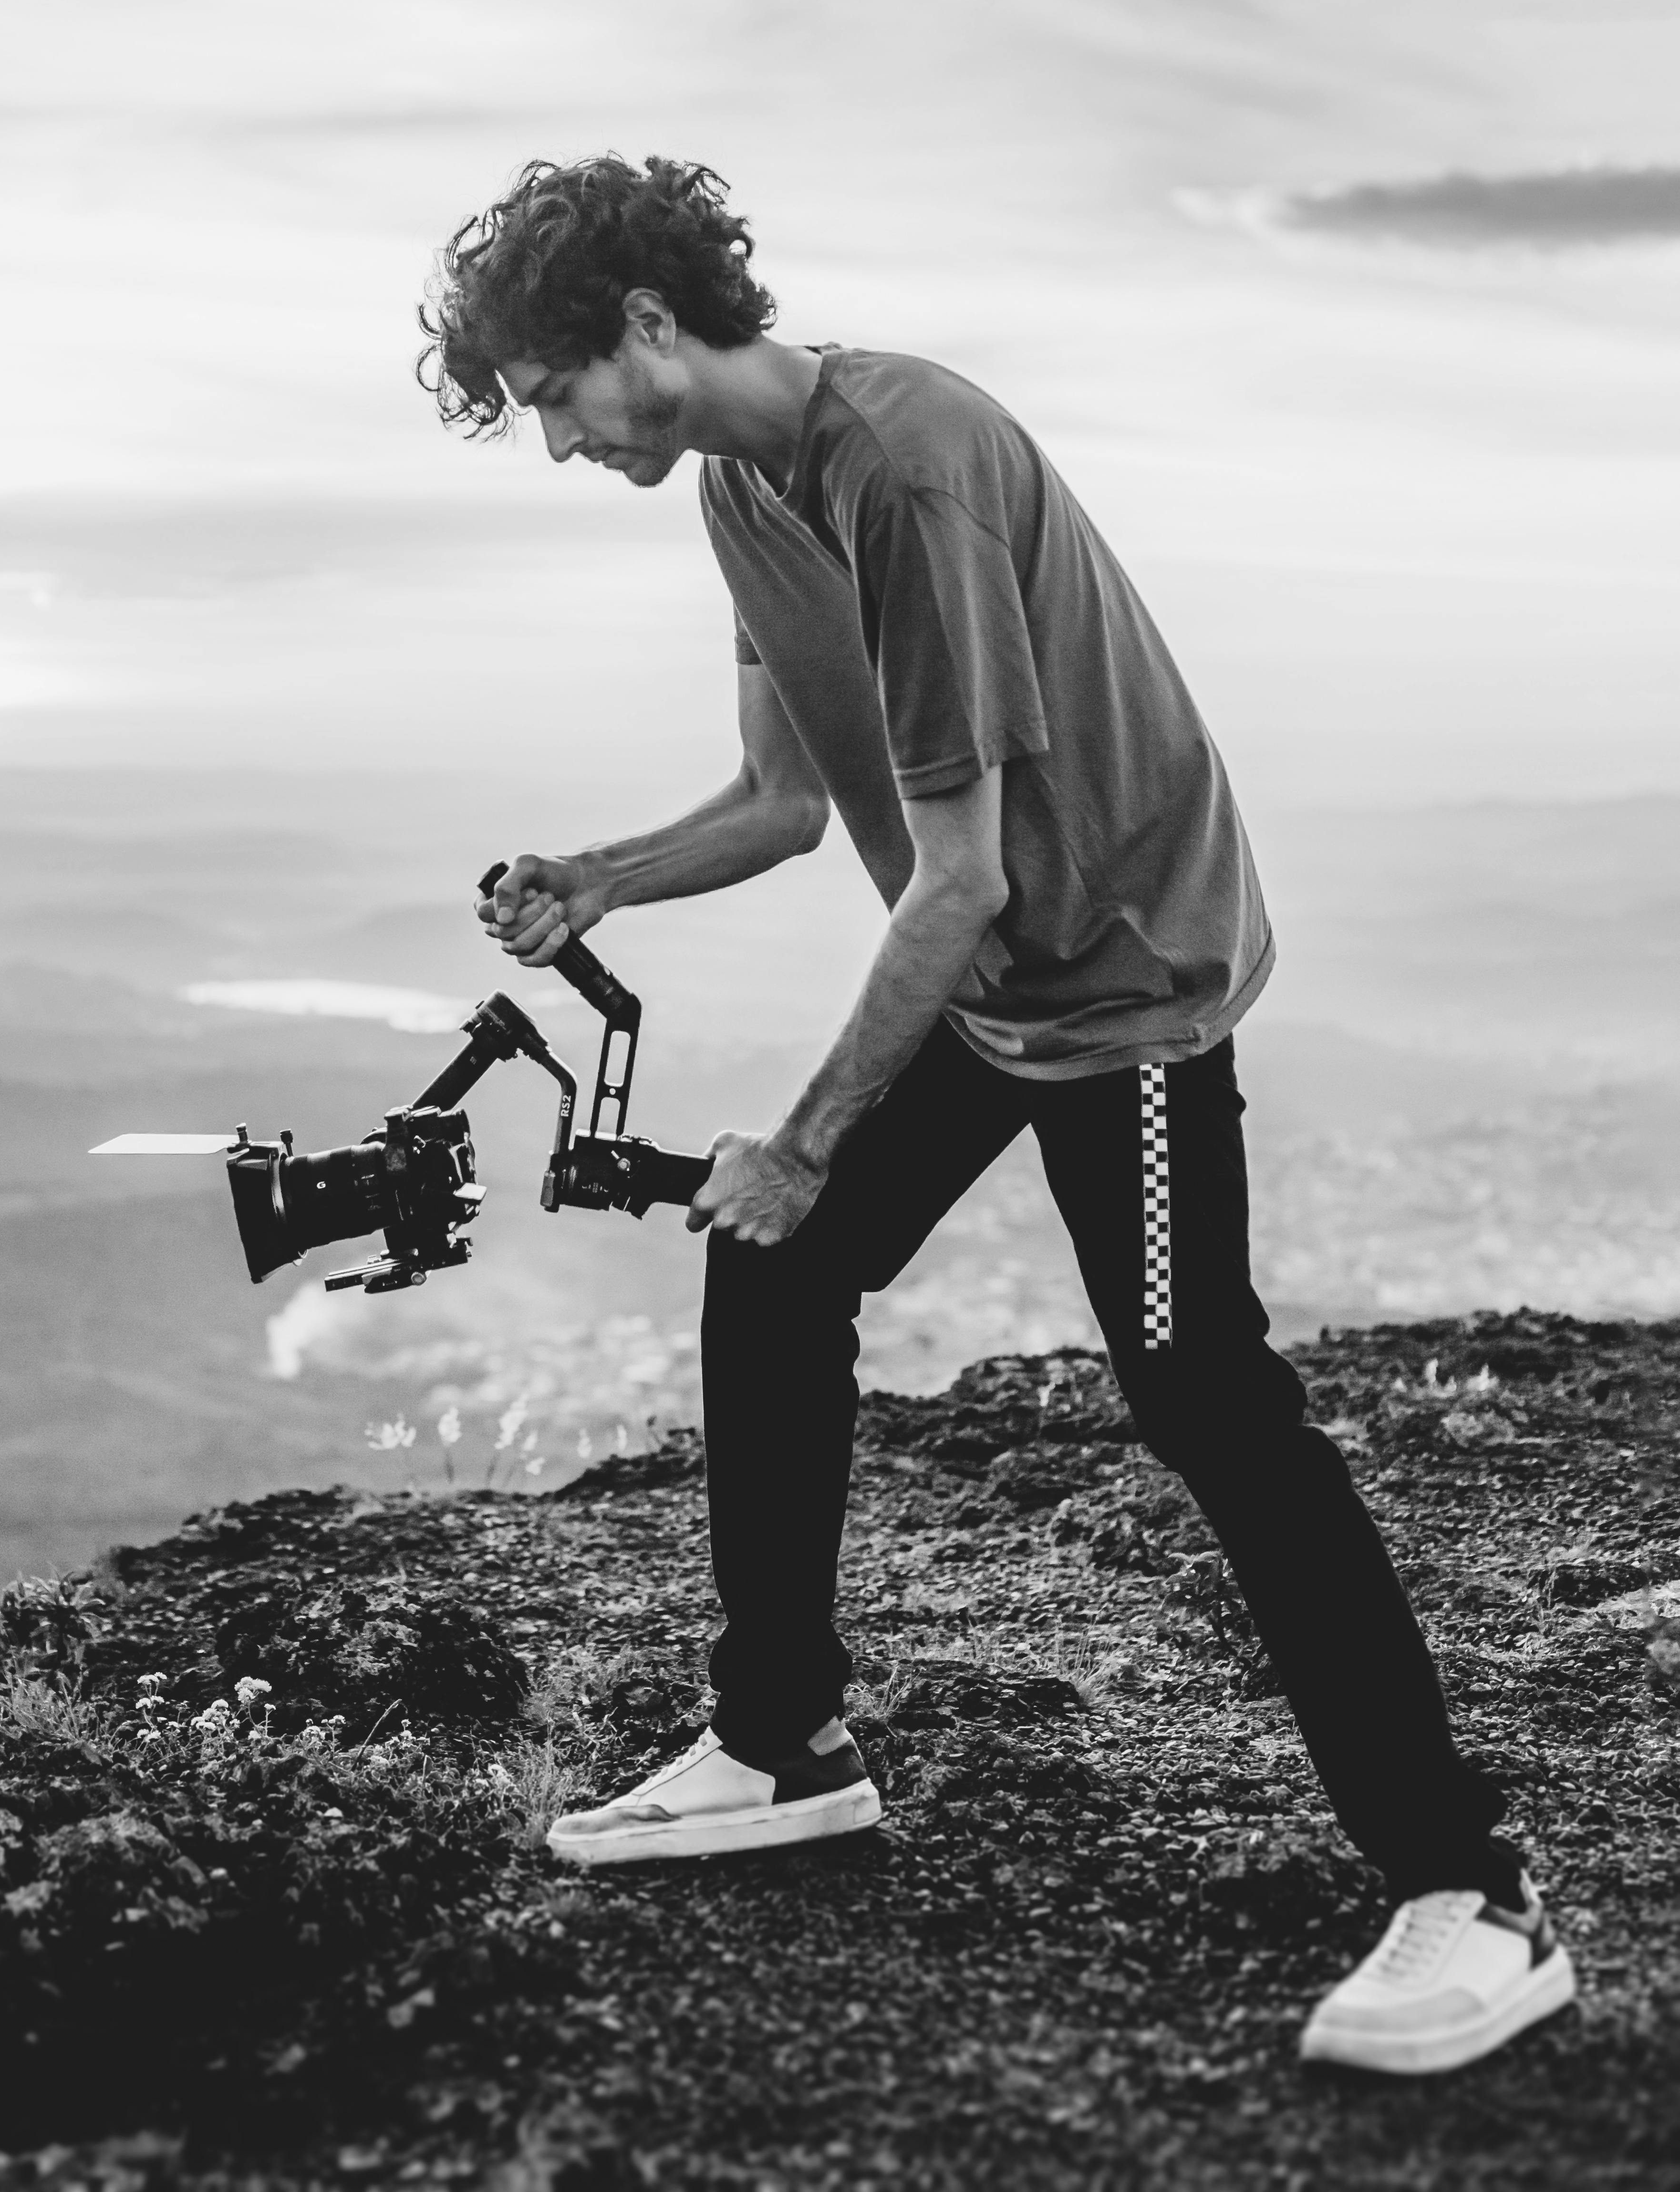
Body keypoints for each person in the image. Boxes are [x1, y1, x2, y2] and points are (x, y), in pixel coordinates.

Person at [416, 152, 1576, 2077]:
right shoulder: (737, 492)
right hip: (988, 979)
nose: (552, 439)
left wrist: (799, 1132)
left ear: (642, 321)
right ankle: (782, 1736)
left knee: (1204, 1391)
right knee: (769, 1272)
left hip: (1111, 985)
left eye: (551, 391)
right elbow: (781, 803)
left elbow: (953, 881)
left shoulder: (908, 462)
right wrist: (599, 872)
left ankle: (1474, 1888)